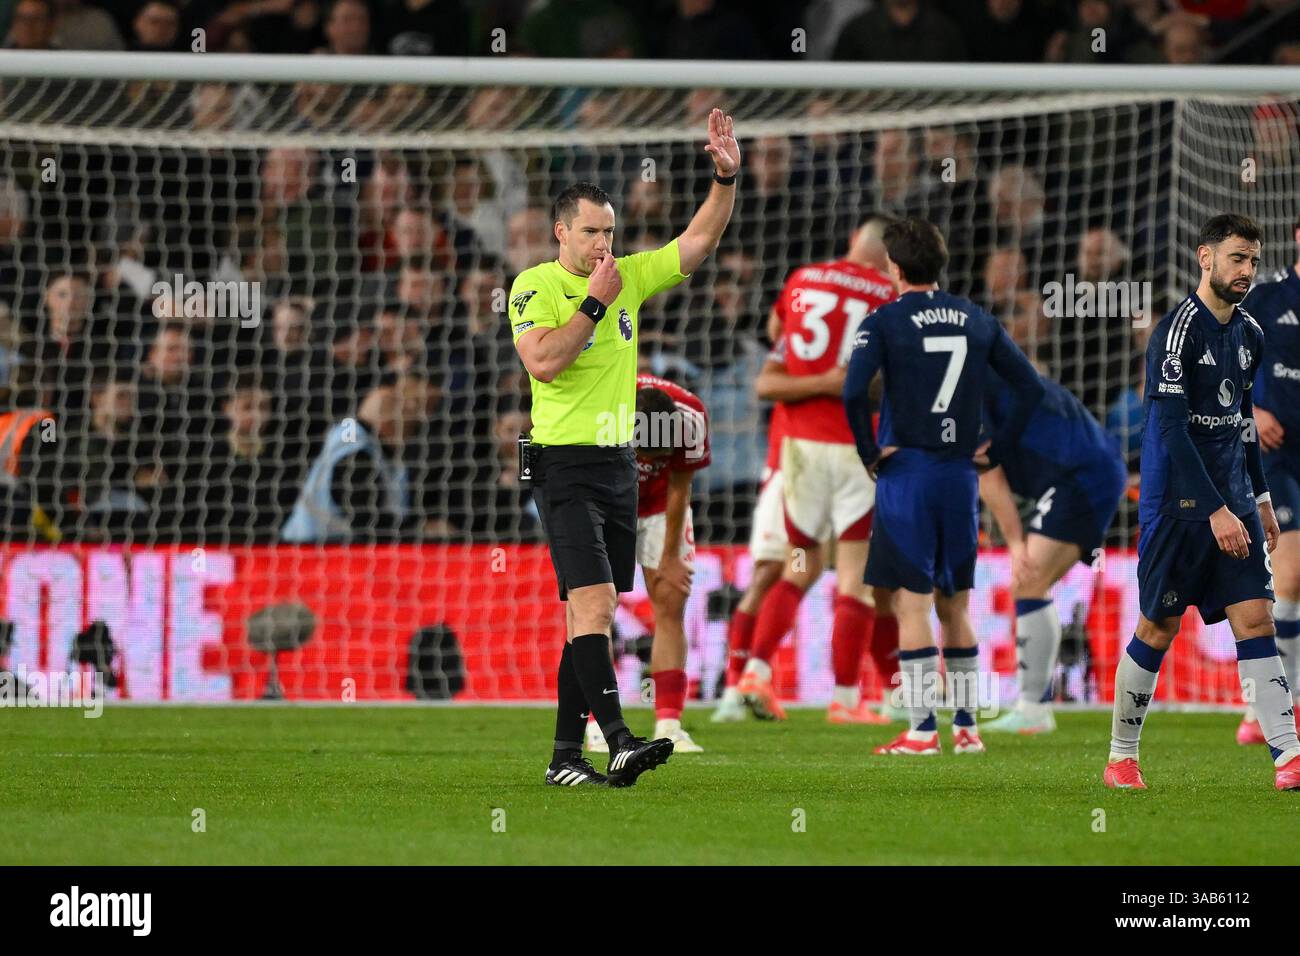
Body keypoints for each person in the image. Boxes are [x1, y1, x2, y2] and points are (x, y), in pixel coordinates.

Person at [508, 109, 739, 788]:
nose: (603, 245)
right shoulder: (536, 286)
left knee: (588, 615)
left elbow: (697, 242)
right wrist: (596, 306)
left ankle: (562, 758)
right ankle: (617, 741)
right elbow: (545, 364)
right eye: (590, 232)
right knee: (598, 603)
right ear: (561, 232)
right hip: (563, 462)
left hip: (615, 465)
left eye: (609, 232)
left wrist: (724, 178)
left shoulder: (628, 275)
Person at [1107, 213, 1300, 791]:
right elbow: (1170, 431)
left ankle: (1288, 755)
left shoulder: (1250, 334)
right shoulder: (1175, 333)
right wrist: (1213, 509)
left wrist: (1259, 500)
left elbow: (1243, 424)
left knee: (1255, 617)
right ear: (1205, 258)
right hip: (1177, 509)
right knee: (1158, 626)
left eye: (1253, 260)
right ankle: (1122, 756)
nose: (1246, 270)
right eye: (1237, 258)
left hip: (1235, 507)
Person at [844, 217, 1044, 756]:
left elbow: (851, 391)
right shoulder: (976, 319)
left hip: (907, 474)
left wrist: (869, 454)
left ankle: (921, 730)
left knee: (912, 605)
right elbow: (1030, 389)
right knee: (955, 604)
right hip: (959, 476)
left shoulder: (884, 321)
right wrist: (996, 449)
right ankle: (967, 728)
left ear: (895, 267)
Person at [734, 215, 897, 725]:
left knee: (798, 564)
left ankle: (757, 670)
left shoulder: (803, 279)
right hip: (854, 445)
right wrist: (841, 383)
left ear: (853, 242)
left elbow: (779, 338)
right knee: (856, 578)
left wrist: (819, 377)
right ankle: (846, 700)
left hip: (798, 449)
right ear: (888, 260)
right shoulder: (888, 297)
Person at [977, 371, 1127, 735]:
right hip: (1087, 470)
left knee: (1028, 581)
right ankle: (1034, 706)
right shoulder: (1001, 375)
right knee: (1030, 585)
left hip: (1079, 478)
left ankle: (1034, 709)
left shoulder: (968, 392)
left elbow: (987, 471)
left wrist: (1014, 544)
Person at [588, 375, 711, 754]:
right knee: (593, 608)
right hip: (606, 502)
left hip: (659, 508)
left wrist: (671, 556)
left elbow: (680, 485)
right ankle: (595, 724)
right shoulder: (600, 404)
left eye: (654, 458)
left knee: (671, 602)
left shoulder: (692, 418)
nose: (646, 463)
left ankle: (670, 725)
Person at [1237, 212, 1300, 744]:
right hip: (1277, 460)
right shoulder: (1266, 300)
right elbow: (1225, 366)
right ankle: (1283, 704)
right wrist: (1253, 410)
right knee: (1292, 573)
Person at [280, 374, 434, 544]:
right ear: (387, 423)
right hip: (313, 553)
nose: (411, 433)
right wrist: (418, 530)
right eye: (409, 424)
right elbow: (366, 519)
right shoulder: (356, 455)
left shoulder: (351, 436)